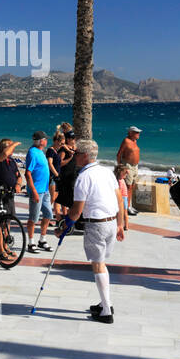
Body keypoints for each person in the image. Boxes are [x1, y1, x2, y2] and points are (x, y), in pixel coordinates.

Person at [60, 139, 126, 324]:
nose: (75, 157)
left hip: (96, 224)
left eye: (77, 153)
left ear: (86, 156)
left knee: (98, 266)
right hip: (111, 222)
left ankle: (106, 311)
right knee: (102, 263)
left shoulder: (83, 177)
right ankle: (105, 303)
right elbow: (119, 200)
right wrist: (120, 225)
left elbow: (76, 210)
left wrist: (64, 227)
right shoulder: (106, 172)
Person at [0, 138, 23, 260]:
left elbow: (19, 176)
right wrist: (14, 144)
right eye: (11, 147)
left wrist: (18, 184)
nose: (13, 149)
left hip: (9, 194)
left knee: (8, 221)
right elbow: (4, 154)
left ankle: (6, 247)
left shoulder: (12, 161)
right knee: (0, 222)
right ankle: (1, 250)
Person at [24, 131, 54, 251]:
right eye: (45, 139)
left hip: (45, 190)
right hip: (37, 191)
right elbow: (28, 173)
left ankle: (42, 240)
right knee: (34, 217)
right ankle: (31, 243)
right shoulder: (32, 153)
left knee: (48, 215)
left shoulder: (40, 152)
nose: (47, 141)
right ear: (41, 141)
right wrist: (34, 191)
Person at [116, 126, 141, 216]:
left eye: (138, 132)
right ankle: (126, 207)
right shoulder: (126, 141)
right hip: (128, 166)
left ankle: (129, 206)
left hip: (135, 166)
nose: (138, 134)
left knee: (132, 186)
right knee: (127, 187)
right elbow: (119, 154)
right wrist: (120, 167)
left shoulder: (135, 141)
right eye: (136, 132)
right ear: (130, 133)